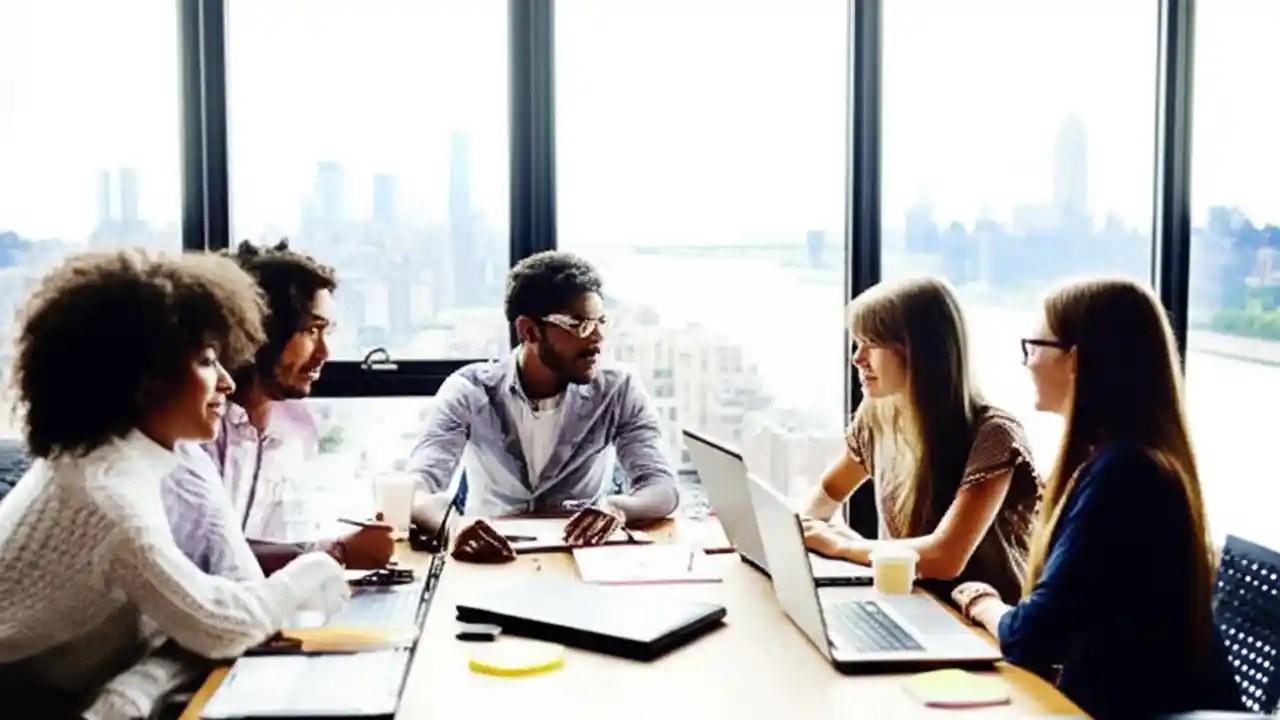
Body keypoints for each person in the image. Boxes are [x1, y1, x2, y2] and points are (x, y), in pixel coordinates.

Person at [0, 250, 349, 719]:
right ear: (147, 379)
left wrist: (134, 691)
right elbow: (226, 626)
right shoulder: (111, 500)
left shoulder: (112, 460)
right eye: (207, 361)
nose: (226, 382)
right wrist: (320, 565)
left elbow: (190, 624)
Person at [950, 278, 1244, 718]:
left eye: (1034, 345)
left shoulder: (1125, 473)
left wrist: (981, 603)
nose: (1027, 362)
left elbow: (1032, 635)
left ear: (1075, 360)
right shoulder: (1128, 461)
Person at [407, 251, 679, 562]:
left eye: (600, 322)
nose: (598, 338)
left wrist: (616, 508)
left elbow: (662, 487)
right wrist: (454, 527)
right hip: (488, 558)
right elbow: (416, 491)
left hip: (580, 559)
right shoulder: (469, 390)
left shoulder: (618, 391)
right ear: (529, 331)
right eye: (579, 324)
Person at [799, 277, 1042, 602]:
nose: (858, 359)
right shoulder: (876, 419)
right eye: (857, 344)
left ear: (921, 353)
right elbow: (825, 499)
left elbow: (944, 558)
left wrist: (840, 545)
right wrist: (806, 529)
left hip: (984, 627)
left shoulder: (993, 435)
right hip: (915, 602)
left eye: (871, 343)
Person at [164, 240, 393, 578]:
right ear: (261, 329)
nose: (325, 352)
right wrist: (335, 551)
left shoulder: (289, 428)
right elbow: (204, 559)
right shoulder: (194, 429)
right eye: (310, 330)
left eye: (327, 331)